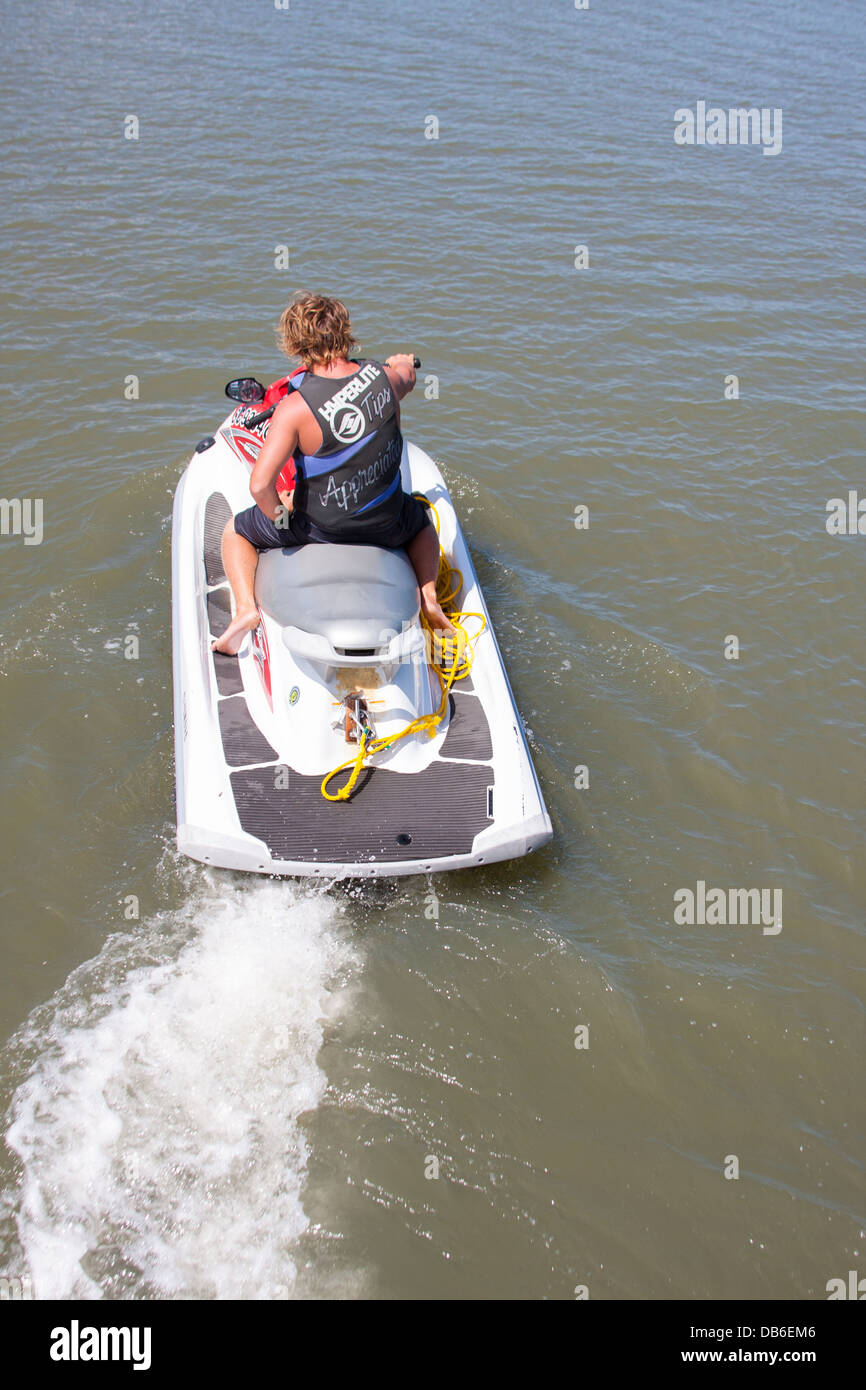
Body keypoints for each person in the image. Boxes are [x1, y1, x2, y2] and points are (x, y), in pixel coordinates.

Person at [212, 292, 453, 655]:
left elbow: (260, 484)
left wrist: (281, 518)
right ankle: (430, 598)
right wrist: (404, 363)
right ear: (345, 332)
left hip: (321, 528)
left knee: (235, 531)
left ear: (295, 344)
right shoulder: (385, 378)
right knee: (421, 522)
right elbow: (407, 375)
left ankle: (246, 610)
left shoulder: (294, 409)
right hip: (387, 523)